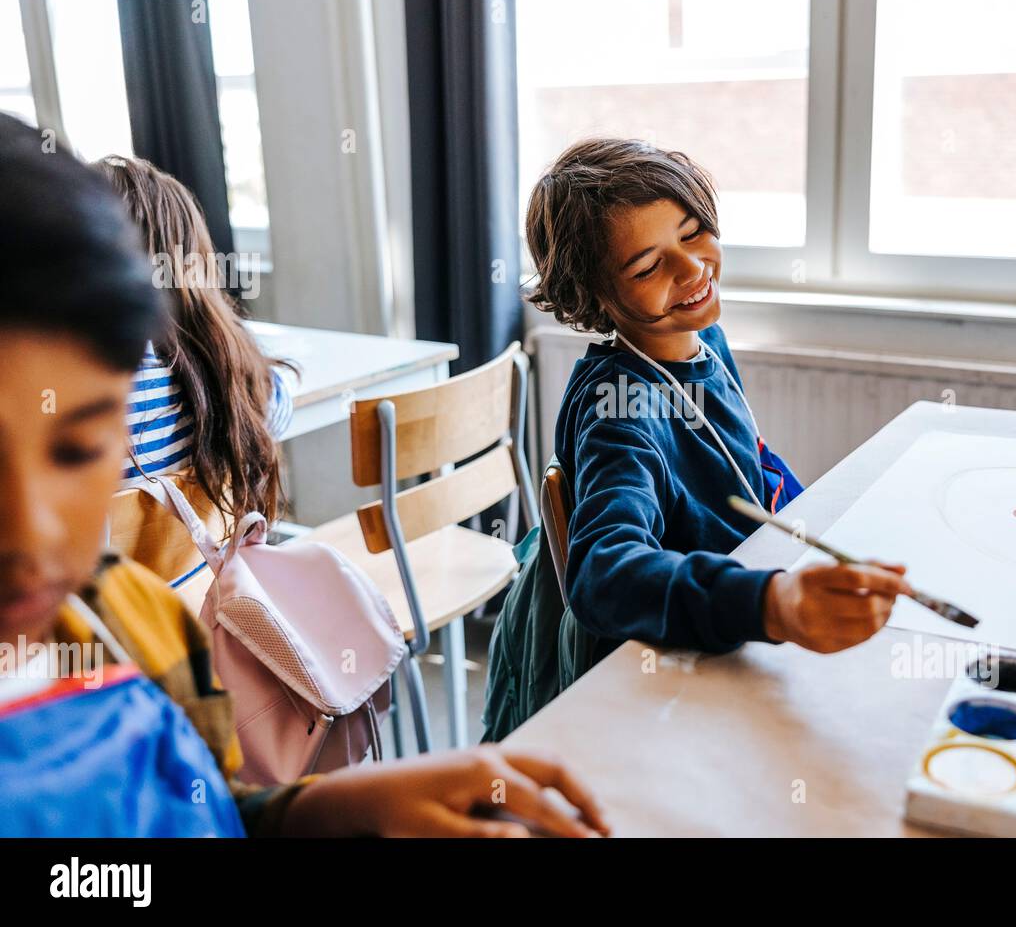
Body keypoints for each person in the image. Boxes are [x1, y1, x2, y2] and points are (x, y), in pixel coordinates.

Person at [0, 112, 607, 838]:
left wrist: (325, 809)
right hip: (229, 588)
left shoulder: (135, 618)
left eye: (77, 449)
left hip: (191, 599)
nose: (30, 532)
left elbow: (207, 812)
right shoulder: (241, 369)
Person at [523, 138, 912, 662]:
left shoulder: (707, 343)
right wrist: (773, 604)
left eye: (693, 233)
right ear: (594, 295)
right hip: (678, 662)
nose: (691, 269)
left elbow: (743, 462)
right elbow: (603, 576)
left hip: (743, 603)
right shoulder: (621, 413)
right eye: (646, 268)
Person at [96, 154, 292, 528]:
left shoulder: (78, 388)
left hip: (110, 587)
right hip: (204, 581)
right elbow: (281, 410)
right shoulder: (236, 368)